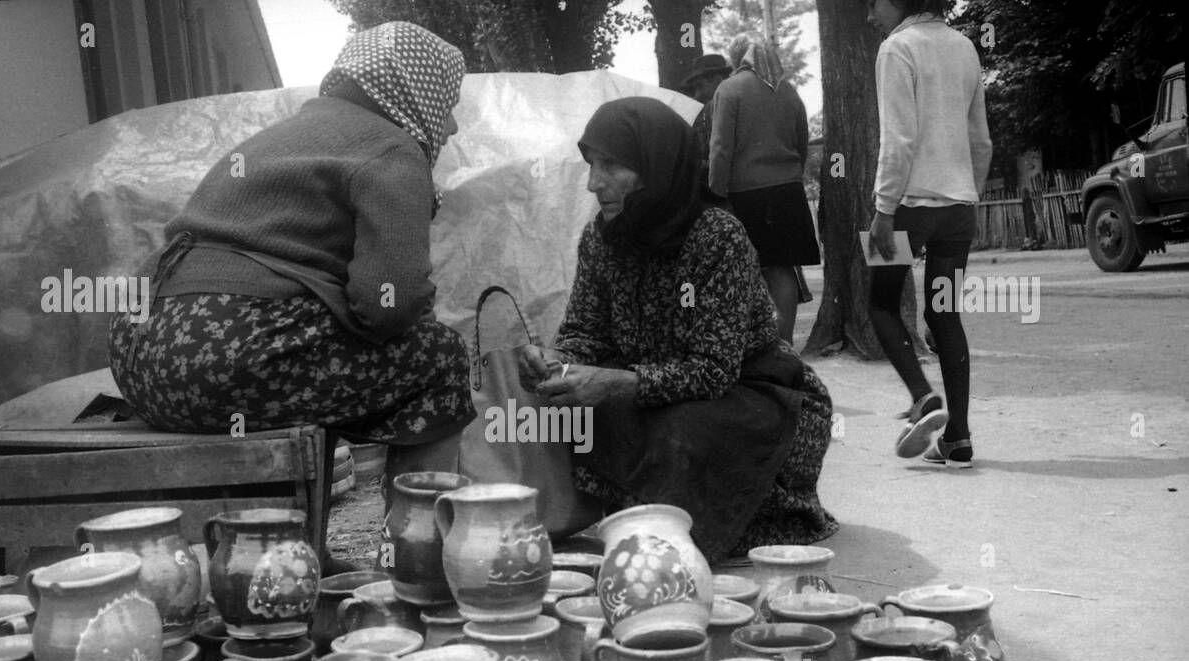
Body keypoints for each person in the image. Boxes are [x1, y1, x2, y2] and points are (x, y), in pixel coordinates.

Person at [108, 22, 475, 509]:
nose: (451, 126)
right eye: (448, 107)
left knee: (319, 355)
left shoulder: (285, 135)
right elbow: (390, 305)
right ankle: (414, 549)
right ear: (416, 90)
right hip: (222, 360)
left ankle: (296, 547)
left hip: (139, 356)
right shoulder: (391, 148)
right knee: (439, 358)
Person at [518, 97, 837, 563]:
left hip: (748, 394)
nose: (594, 183)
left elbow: (712, 372)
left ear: (657, 166)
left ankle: (719, 522)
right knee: (547, 411)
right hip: (650, 387)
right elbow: (586, 331)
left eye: (612, 166)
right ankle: (630, 512)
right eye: (591, 165)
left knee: (678, 431)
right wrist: (557, 361)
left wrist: (615, 383)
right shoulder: (601, 238)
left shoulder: (716, 237)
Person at [865, 0, 992, 467]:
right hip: (958, 210)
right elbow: (981, 139)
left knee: (878, 304)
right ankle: (958, 439)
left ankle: (923, 398)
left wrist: (883, 210)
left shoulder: (896, 48)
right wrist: (967, 195)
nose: (870, 13)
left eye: (875, 3)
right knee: (946, 316)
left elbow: (897, 139)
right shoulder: (964, 47)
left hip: (906, 209)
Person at [709, 35, 820, 346]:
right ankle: (784, 344)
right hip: (788, 188)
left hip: (747, 193)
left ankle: (753, 343)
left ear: (736, 60)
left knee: (746, 267)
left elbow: (720, 148)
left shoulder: (729, 89)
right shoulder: (790, 91)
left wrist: (716, 193)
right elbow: (802, 140)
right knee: (782, 268)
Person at [679, 53, 731, 200]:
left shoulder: (722, 108)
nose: (697, 94)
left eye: (700, 86)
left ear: (718, 81)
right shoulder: (703, 113)